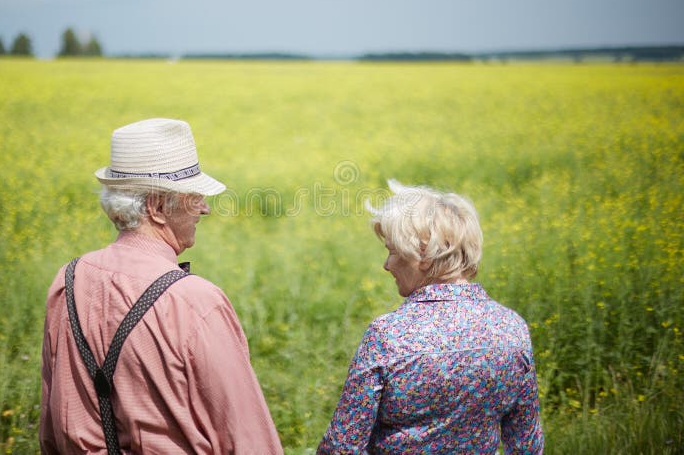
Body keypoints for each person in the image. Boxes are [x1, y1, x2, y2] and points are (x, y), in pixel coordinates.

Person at [40, 118, 283, 454]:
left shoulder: (68, 280)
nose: (205, 208)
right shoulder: (196, 302)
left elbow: (52, 429)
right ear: (156, 207)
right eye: (194, 196)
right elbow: (249, 440)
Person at [318, 180, 543, 454]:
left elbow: (342, 447)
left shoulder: (388, 336)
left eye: (392, 251)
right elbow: (527, 445)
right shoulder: (512, 329)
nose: (387, 265)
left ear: (422, 254)